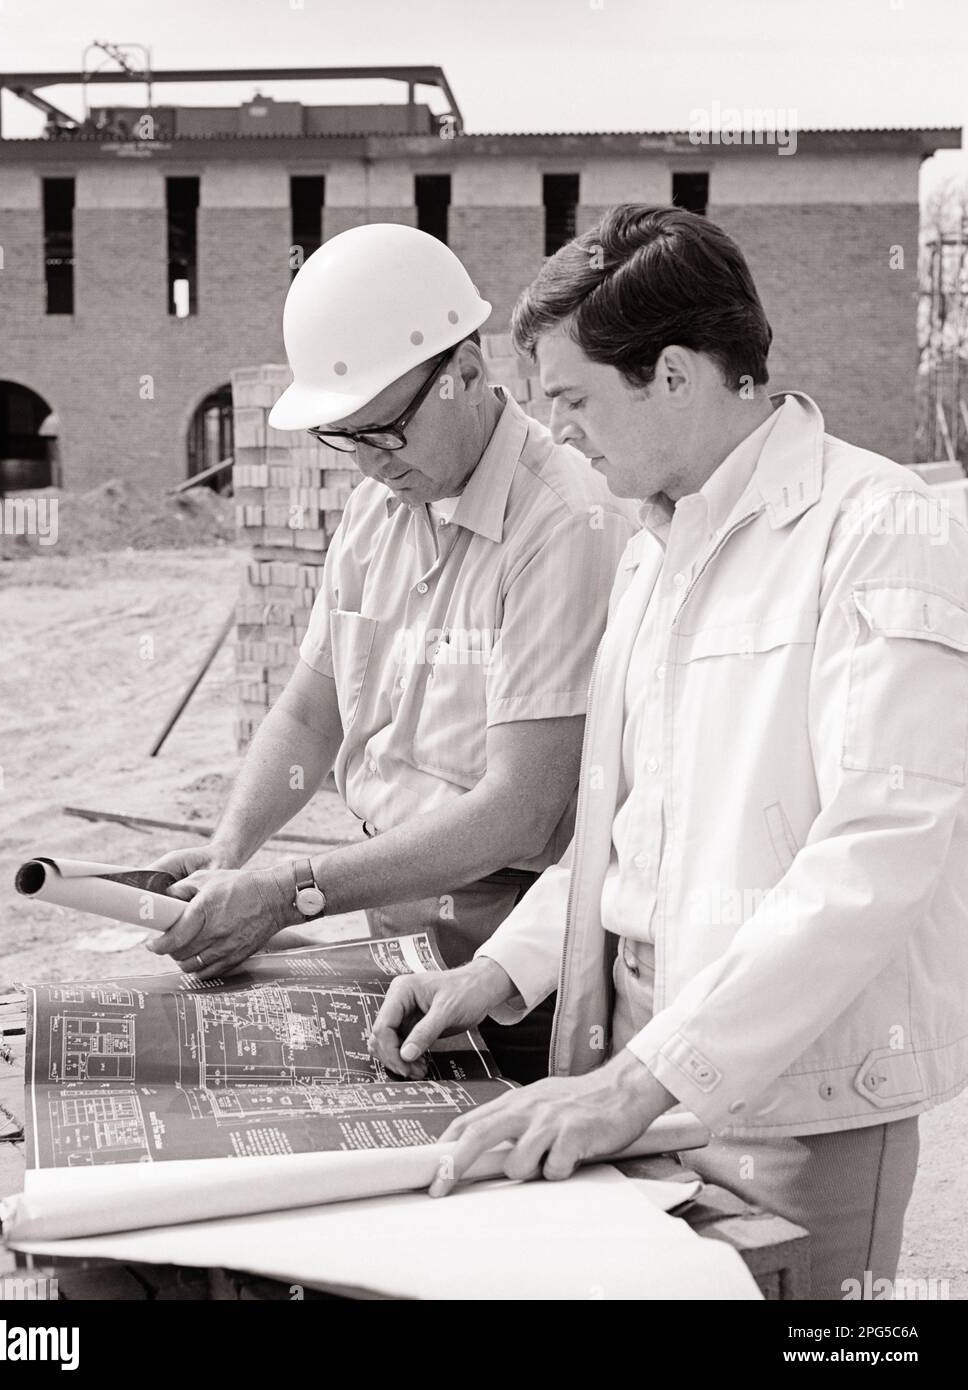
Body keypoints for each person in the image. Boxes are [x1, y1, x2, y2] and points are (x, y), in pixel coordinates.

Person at [368, 203, 968, 1299]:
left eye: (574, 400)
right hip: (634, 1059)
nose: (558, 433)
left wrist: (641, 1082)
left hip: (797, 1101)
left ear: (677, 376)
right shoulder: (655, 545)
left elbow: (874, 856)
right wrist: (503, 968)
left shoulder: (875, 527)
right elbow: (625, 823)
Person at [147, 223, 636, 1082]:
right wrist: (231, 852)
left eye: (384, 432)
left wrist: (291, 891)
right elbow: (309, 709)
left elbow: (521, 808)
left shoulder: (564, 522)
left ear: (467, 376)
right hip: (392, 899)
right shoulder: (381, 510)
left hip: (512, 940)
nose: (371, 463)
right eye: (347, 438)